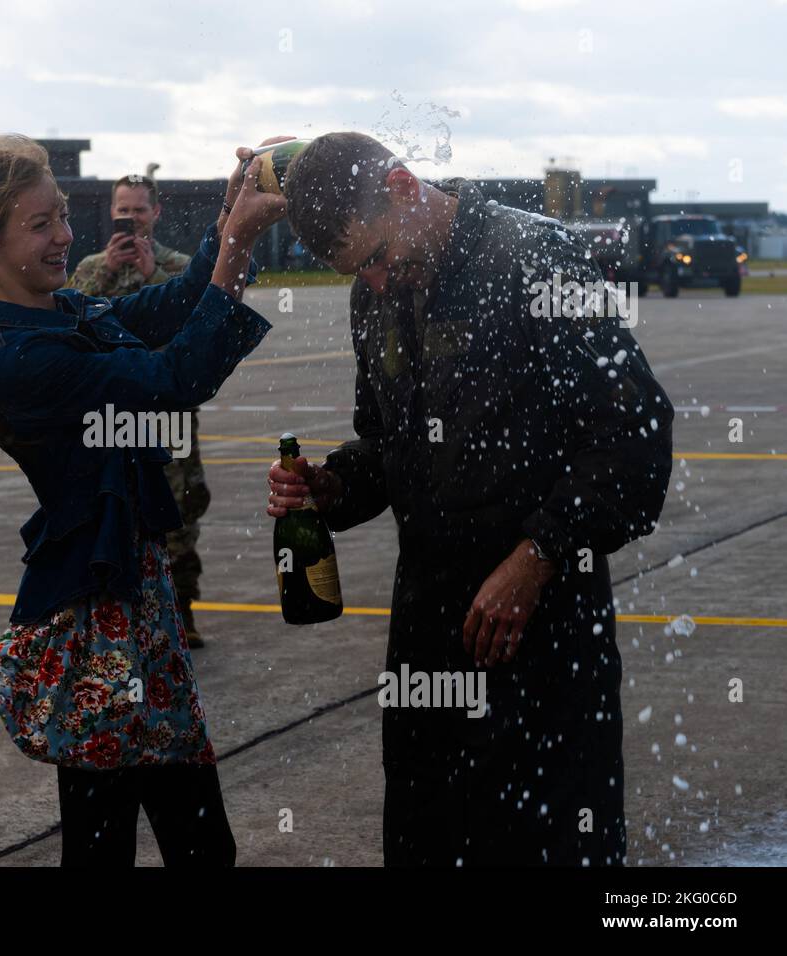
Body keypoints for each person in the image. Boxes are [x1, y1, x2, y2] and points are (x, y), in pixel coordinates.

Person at [0, 134, 285, 866]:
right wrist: (237, 247)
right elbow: (173, 379)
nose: (66, 234)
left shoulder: (56, 309)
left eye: (62, 214)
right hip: (96, 615)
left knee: (182, 842)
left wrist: (228, 220)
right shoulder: (19, 355)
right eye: (40, 224)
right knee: (121, 845)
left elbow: (164, 310)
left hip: (136, 599)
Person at [268, 131, 674, 866]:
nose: (381, 283)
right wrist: (333, 485)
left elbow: (633, 435)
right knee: (428, 838)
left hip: (544, 632)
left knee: (549, 848)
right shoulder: (376, 297)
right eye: (361, 271)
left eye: (379, 258)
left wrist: (539, 553)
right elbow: (388, 442)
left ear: (402, 186)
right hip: (429, 630)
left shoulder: (536, 259)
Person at [69, 174, 210, 647]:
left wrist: (154, 279)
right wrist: (107, 271)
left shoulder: (179, 267)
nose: (131, 220)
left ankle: (182, 608)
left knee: (177, 511)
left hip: (165, 414)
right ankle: (119, 615)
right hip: (107, 417)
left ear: (157, 212)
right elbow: (70, 321)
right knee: (108, 511)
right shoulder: (90, 268)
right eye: (122, 212)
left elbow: (195, 324)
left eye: (139, 211)